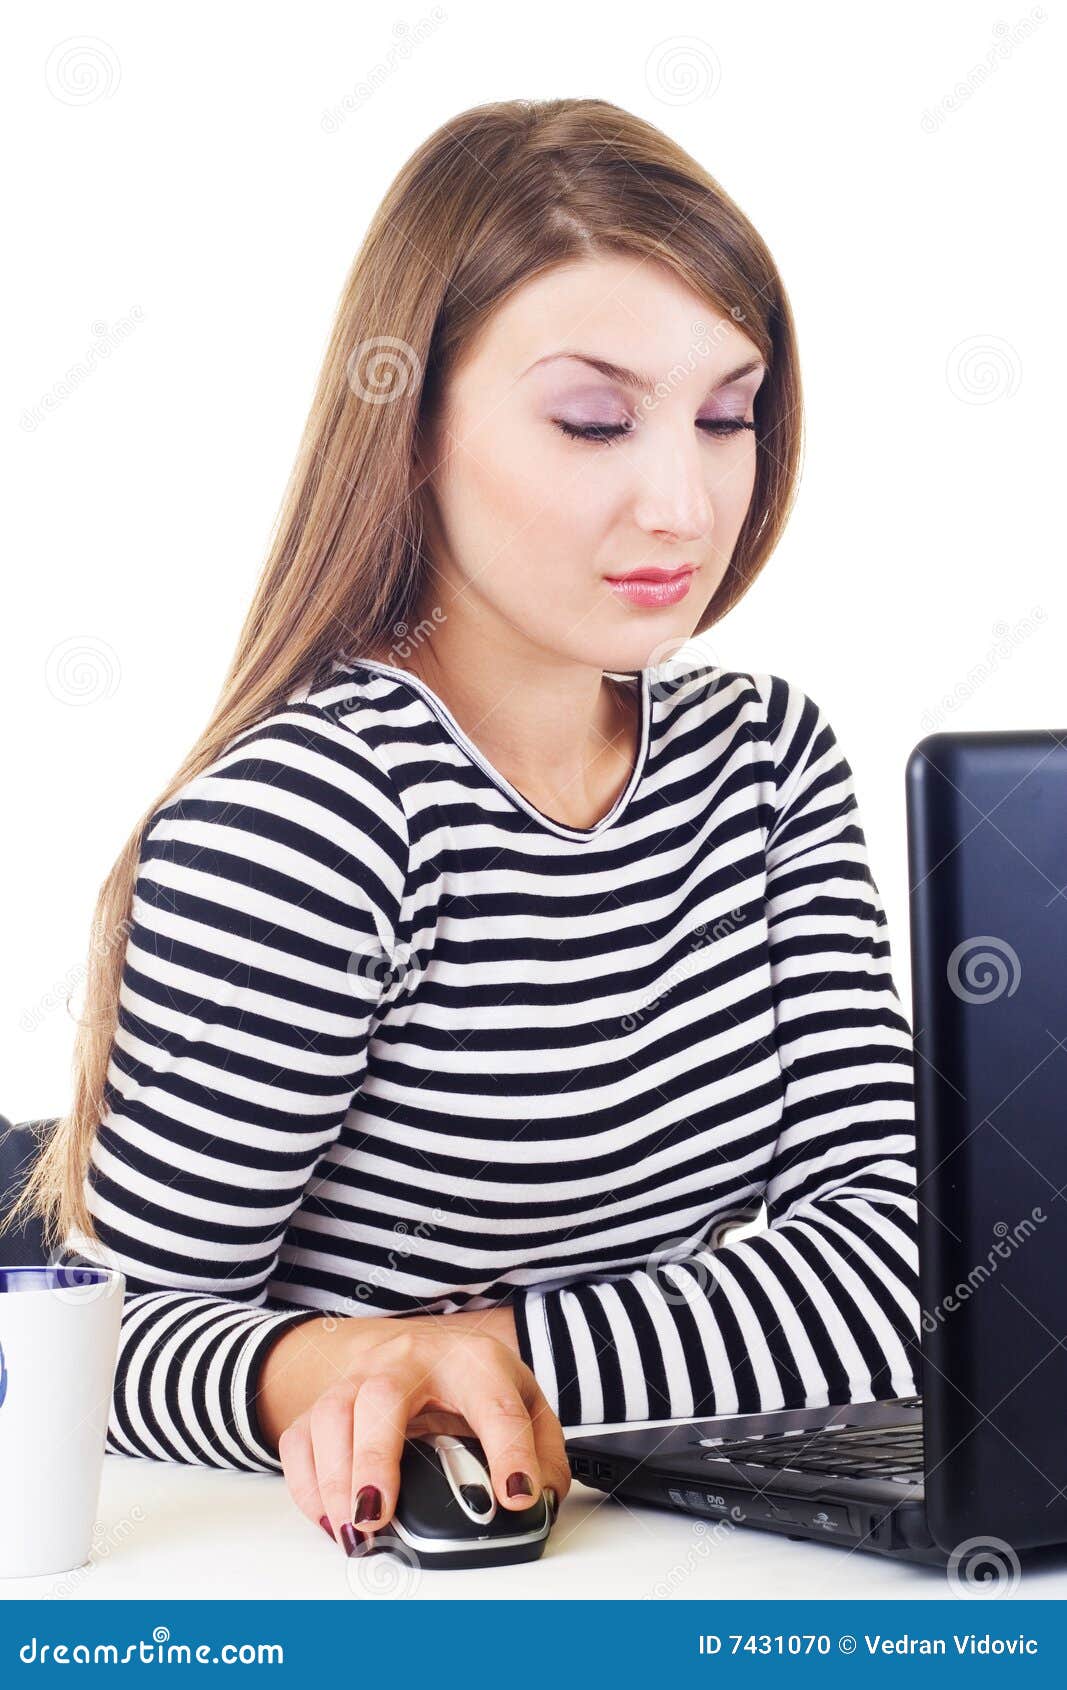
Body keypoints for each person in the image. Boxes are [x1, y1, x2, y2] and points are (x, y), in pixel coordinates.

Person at [8, 98, 921, 1560]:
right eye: (592, 420)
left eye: (729, 415)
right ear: (414, 429)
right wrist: (303, 1368)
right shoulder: (316, 814)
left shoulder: (769, 761)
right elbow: (108, 1343)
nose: (684, 498)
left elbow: (901, 1267)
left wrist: (466, 1362)